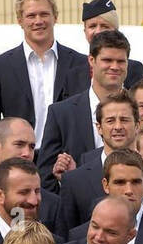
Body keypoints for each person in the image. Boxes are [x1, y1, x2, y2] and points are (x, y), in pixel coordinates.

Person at [38, 30, 133, 188]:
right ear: (91, 60)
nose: (114, 67)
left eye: (121, 61)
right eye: (107, 60)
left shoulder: (141, 111)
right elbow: (46, 178)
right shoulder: (61, 114)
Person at [0, 0, 88, 136]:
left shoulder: (80, 63)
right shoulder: (0, 66)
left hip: (67, 156)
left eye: (44, 14)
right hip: (18, 155)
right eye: (31, 16)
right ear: (20, 20)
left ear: (55, 17)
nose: (38, 21)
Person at [58, 125, 143, 240]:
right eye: (120, 182)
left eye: (136, 182)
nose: (129, 190)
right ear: (106, 185)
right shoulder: (79, 236)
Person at [78, 0, 143, 88]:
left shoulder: (133, 69)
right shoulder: (74, 69)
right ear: (85, 31)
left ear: (116, 31)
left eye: (104, 26)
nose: (98, 31)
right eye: (92, 26)